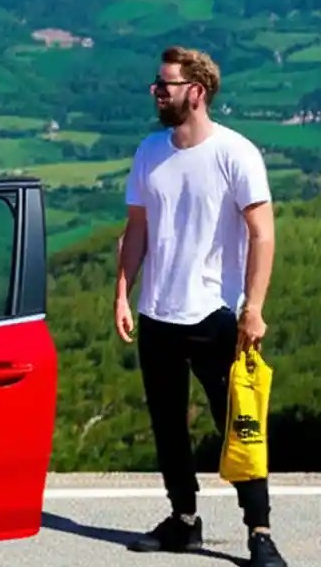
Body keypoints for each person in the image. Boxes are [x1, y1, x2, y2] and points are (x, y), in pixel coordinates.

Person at [114, 46, 287, 567]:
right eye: (156, 84)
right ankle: (183, 520)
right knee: (167, 423)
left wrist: (253, 308)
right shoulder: (149, 151)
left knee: (237, 422)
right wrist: (123, 290)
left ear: (197, 91)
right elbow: (137, 228)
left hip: (215, 314)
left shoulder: (236, 153)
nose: (158, 92)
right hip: (157, 312)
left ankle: (259, 530)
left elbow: (262, 234)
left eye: (166, 84)